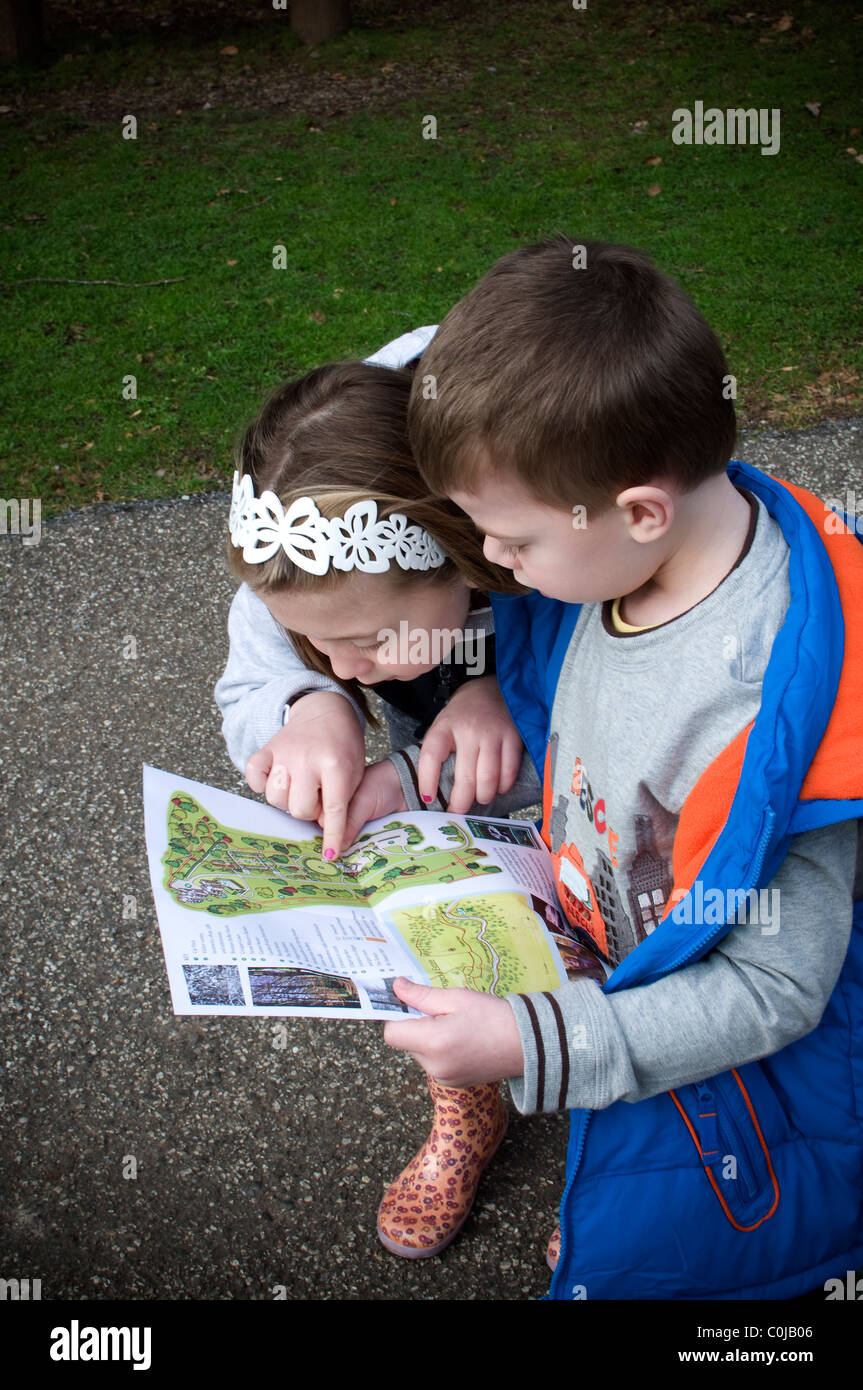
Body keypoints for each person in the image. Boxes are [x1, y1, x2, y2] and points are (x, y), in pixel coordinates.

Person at [379, 236, 863, 1298]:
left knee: (657, 1244)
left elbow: (772, 992)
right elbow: (573, 723)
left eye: (507, 541)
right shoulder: (609, 562)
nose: (491, 567)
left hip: (727, 1094)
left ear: (638, 507)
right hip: (598, 938)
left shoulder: (768, 707)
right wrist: (422, 767)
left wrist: (538, 1040)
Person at [213, 337, 567, 1259]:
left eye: (365, 641)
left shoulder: (550, 517)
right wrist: (308, 705)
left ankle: (626, 1151)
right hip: (445, 798)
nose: (344, 661)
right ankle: (468, 1106)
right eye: (314, 641)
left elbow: (619, 734)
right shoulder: (307, 535)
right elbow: (251, 676)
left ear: (469, 550)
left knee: (598, 961)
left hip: (584, 808)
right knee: (446, 945)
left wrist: (497, 693)